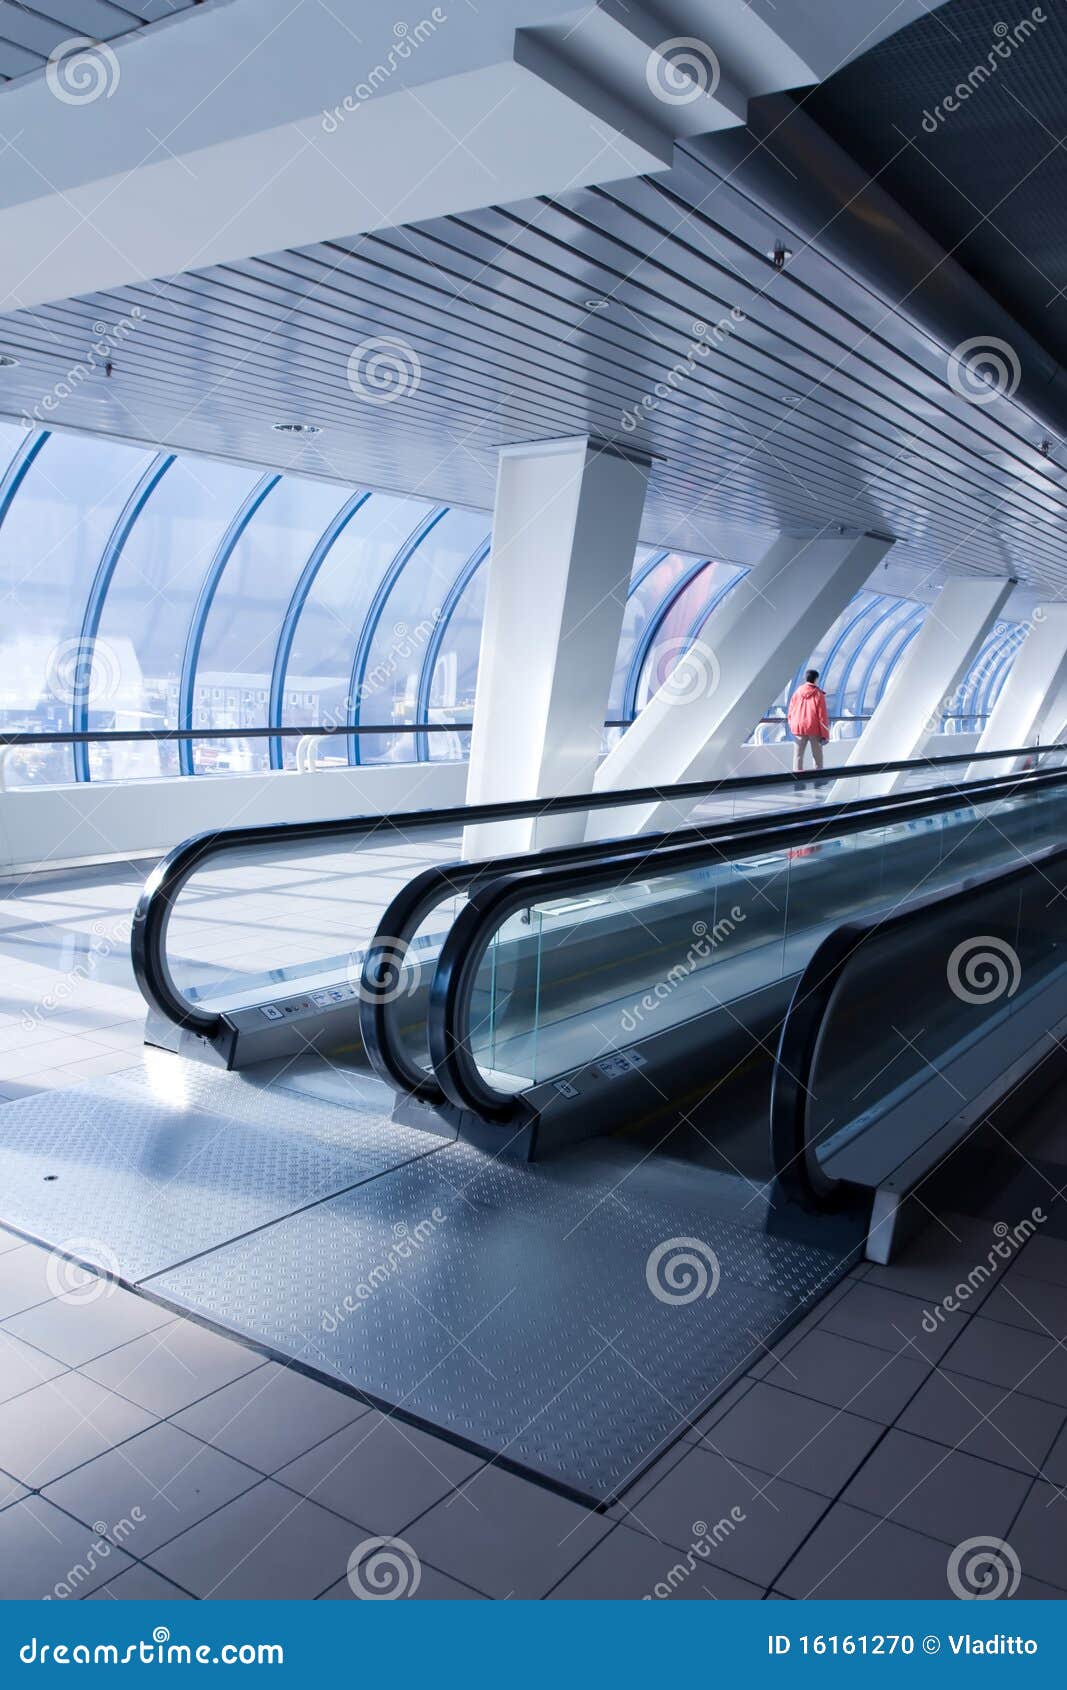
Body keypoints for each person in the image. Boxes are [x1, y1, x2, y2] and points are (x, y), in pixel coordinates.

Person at [787, 669, 830, 774]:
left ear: (806, 678)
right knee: (817, 756)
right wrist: (825, 734)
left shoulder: (797, 692)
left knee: (798, 755)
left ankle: (797, 780)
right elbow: (822, 716)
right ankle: (818, 780)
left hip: (798, 727)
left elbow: (790, 711)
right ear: (816, 679)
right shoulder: (818, 694)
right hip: (814, 728)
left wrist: (792, 725)